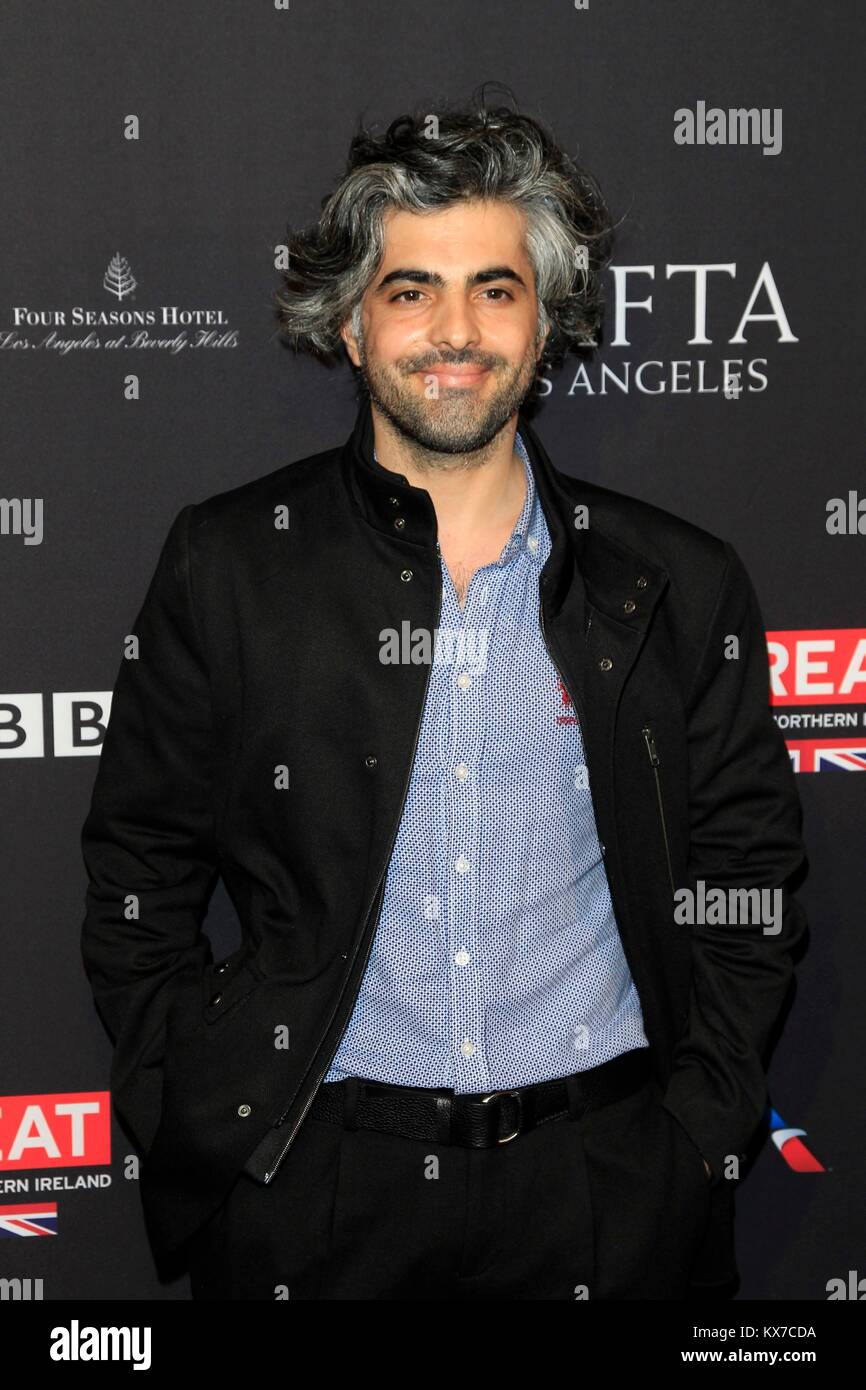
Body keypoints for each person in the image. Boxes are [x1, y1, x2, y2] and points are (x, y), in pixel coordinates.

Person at [80, 91, 808, 1300]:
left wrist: (694, 1136)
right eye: (411, 290)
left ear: (543, 322)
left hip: (608, 1190)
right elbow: (140, 873)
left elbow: (748, 873)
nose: (453, 331)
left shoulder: (671, 581)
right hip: (313, 1195)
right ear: (353, 327)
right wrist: (194, 1111)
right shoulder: (231, 561)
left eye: (495, 288)